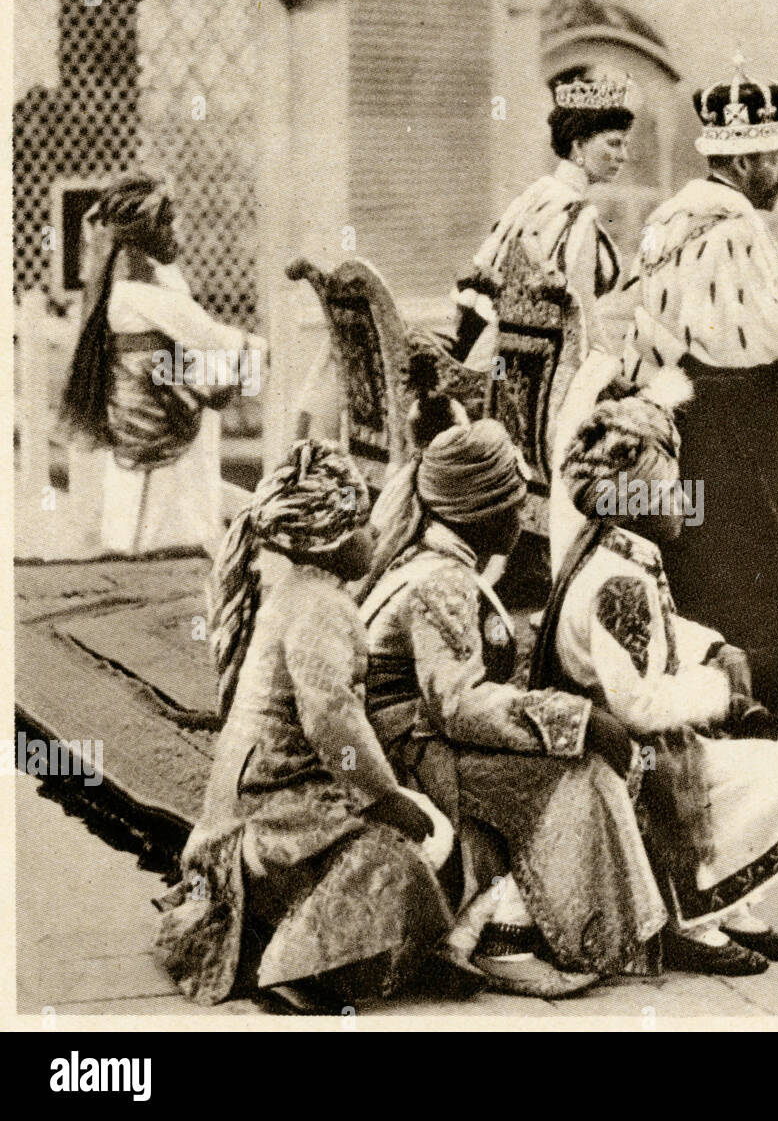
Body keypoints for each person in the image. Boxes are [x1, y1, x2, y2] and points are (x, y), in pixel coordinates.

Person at [532, 368, 778, 976]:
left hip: (641, 738)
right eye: (670, 490)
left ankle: (727, 903)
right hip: (627, 754)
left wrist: (713, 646)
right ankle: (691, 917)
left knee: (763, 759)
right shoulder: (619, 580)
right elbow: (639, 703)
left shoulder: (614, 553)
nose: (680, 502)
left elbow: (657, 633)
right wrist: (721, 697)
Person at [357, 418, 667, 997]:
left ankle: (494, 919)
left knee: (570, 760)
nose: (522, 517)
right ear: (480, 509)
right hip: (414, 753)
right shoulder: (441, 580)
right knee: (579, 775)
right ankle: (504, 935)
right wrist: (575, 720)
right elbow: (460, 705)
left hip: (417, 736)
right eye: (513, 503)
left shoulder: (435, 560)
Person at [155, 441, 455, 1011]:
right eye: (363, 524)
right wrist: (384, 798)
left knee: (394, 841)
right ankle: (300, 968)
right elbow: (332, 722)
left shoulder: (291, 592)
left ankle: (274, 926)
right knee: (395, 857)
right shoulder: (321, 604)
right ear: (329, 539)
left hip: (248, 805)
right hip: (272, 811)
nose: (374, 536)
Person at [622, 56, 778, 711]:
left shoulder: (672, 219)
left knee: (696, 563)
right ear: (743, 161)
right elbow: (757, 344)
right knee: (745, 570)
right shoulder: (734, 228)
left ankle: (702, 693)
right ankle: (753, 704)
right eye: (775, 158)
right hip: (725, 423)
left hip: (676, 412)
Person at [60, 174, 265, 556]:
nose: (173, 231)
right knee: (154, 525)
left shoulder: (152, 278)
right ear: (143, 232)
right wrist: (261, 352)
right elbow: (208, 335)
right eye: (165, 222)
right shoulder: (136, 290)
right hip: (154, 418)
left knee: (176, 506)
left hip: (164, 398)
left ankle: (172, 551)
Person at [472, 67, 633, 359]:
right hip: (556, 363)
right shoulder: (576, 214)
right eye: (614, 143)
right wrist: (612, 369)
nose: (623, 156)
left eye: (625, 144)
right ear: (578, 145)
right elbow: (584, 319)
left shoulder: (538, 196)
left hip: (509, 357)